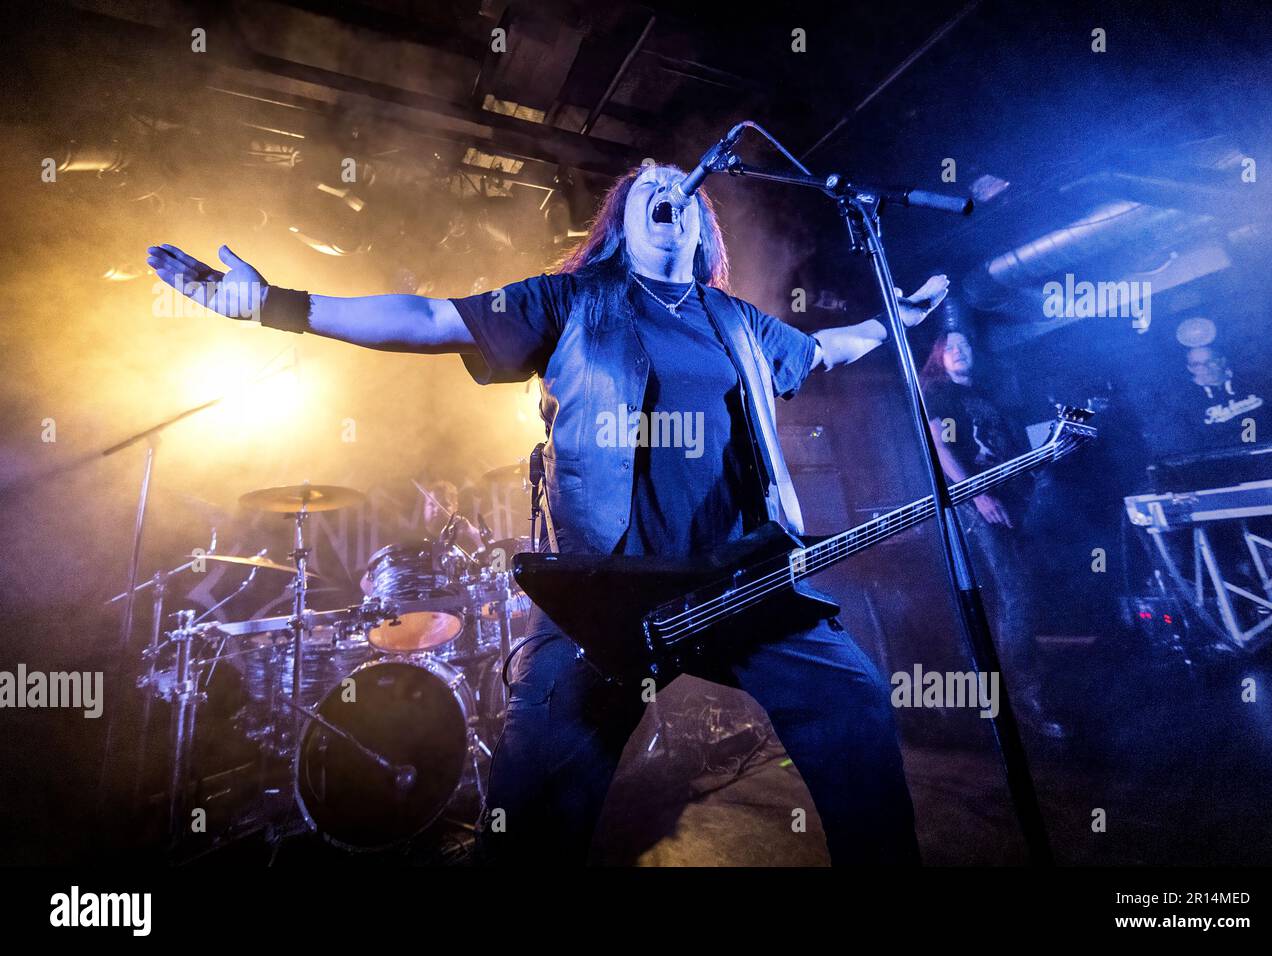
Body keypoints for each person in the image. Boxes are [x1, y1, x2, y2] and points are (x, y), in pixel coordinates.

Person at [146, 161, 949, 865]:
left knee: (854, 711)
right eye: (645, 184)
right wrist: (273, 305)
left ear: (702, 227)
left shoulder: (737, 322)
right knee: (534, 812)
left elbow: (826, 348)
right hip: (608, 592)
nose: (666, 183)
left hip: (748, 581)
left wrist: (897, 321)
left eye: (679, 183)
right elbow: (431, 319)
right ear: (621, 224)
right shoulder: (571, 301)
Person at [920, 318, 1061, 737]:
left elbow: (1012, 445)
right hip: (979, 503)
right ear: (939, 359)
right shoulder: (939, 395)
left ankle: (1020, 687)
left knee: (1021, 592)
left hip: (1014, 498)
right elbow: (941, 448)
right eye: (951, 347)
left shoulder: (987, 395)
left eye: (965, 345)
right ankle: (1025, 696)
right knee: (1015, 591)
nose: (960, 351)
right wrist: (976, 496)